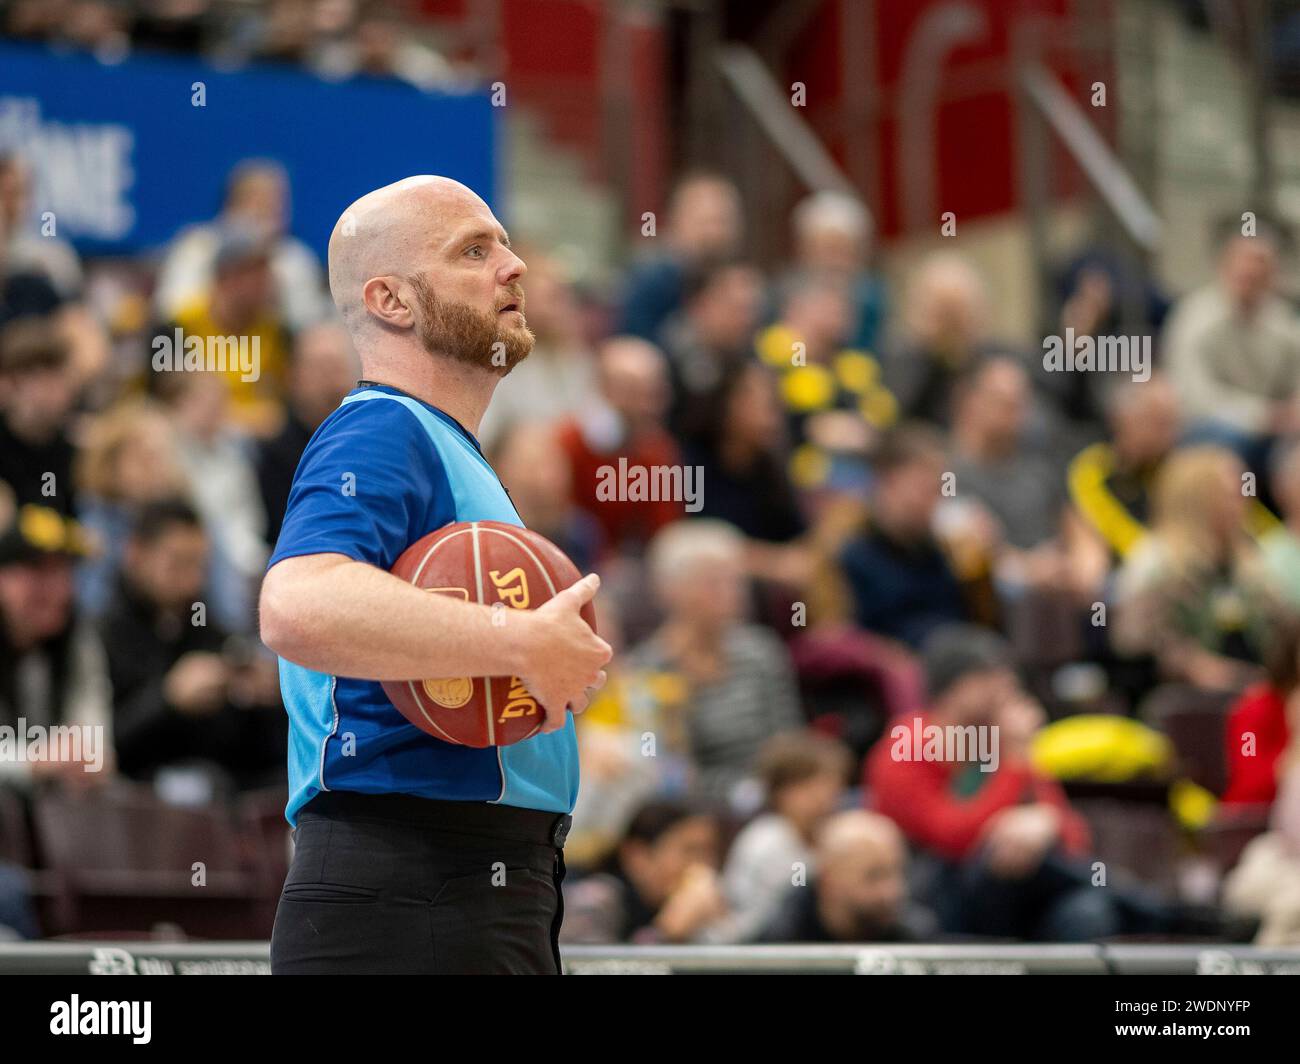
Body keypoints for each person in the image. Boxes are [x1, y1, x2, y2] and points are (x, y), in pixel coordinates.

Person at [259, 176, 612, 974]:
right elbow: (295, 603)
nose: (515, 266)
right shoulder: (383, 428)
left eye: (507, 242)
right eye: (474, 250)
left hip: (469, 884)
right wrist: (516, 639)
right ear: (390, 299)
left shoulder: (443, 446)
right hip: (410, 881)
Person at [100, 499, 284, 791]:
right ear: (135, 552)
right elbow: (100, 743)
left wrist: (258, 696)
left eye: (200, 565)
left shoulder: (203, 625)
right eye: (178, 563)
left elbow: (248, 750)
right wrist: (168, 700)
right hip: (135, 793)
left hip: (219, 789)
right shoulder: (102, 633)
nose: (191, 580)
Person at [624, 520, 804, 807]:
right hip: (698, 811)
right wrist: (743, 794)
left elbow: (788, 740)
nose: (731, 593)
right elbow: (667, 772)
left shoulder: (761, 651)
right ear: (671, 590)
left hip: (776, 798)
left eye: (735, 581)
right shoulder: (649, 668)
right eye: (714, 582)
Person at [1162, 228, 1300, 477]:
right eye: (1246, 271)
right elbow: (1194, 399)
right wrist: (1264, 416)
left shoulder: (1283, 322)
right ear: (1224, 268)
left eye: (1262, 272)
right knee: (1230, 441)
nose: (1253, 276)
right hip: (1205, 428)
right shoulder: (1195, 317)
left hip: (1273, 430)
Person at [722, 731, 852, 940]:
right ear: (780, 791)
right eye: (809, 786)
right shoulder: (767, 840)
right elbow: (775, 921)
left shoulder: (830, 836)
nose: (823, 796)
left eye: (831, 784)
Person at [560, 797, 730, 944]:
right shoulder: (594, 901)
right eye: (689, 850)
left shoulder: (691, 907)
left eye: (710, 851)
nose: (702, 864)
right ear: (637, 856)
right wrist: (666, 932)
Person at [757, 810, 936, 943]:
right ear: (828, 881)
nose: (892, 891)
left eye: (898, 872)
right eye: (873, 876)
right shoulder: (781, 946)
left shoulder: (915, 938)